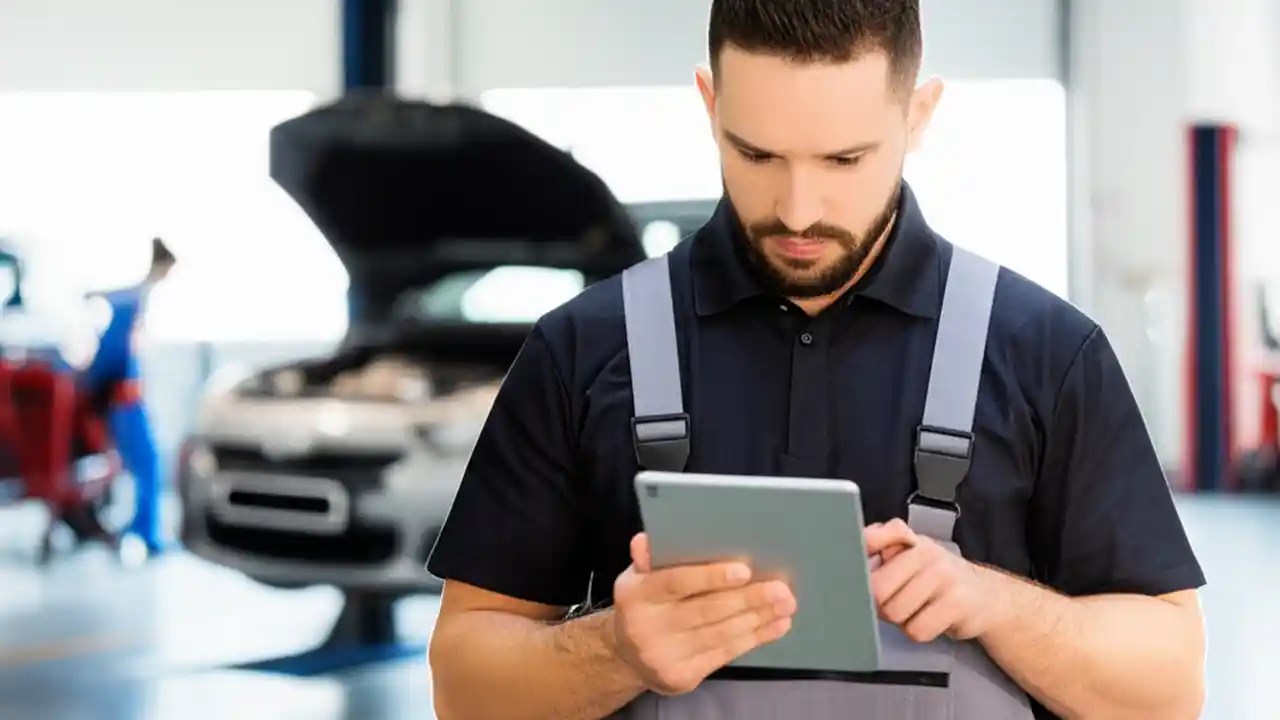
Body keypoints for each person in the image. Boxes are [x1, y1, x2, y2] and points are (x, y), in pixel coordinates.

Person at [424, 2, 1207, 719]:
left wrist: (992, 602)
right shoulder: (582, 351)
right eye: (757, 154)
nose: (797, 210)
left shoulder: (1047, 355)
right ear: (710, 103)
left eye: (844, 160)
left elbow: (1168, 693)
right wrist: (617, 650)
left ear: (919, 114)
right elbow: (464, 688)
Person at [81, 237, 177, 557]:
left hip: (127, 403)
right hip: (124, 405)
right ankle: (143, 531)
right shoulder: (130, 306)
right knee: (145, 463)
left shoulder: (133, 309)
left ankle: (141, 528)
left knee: (140, 465)